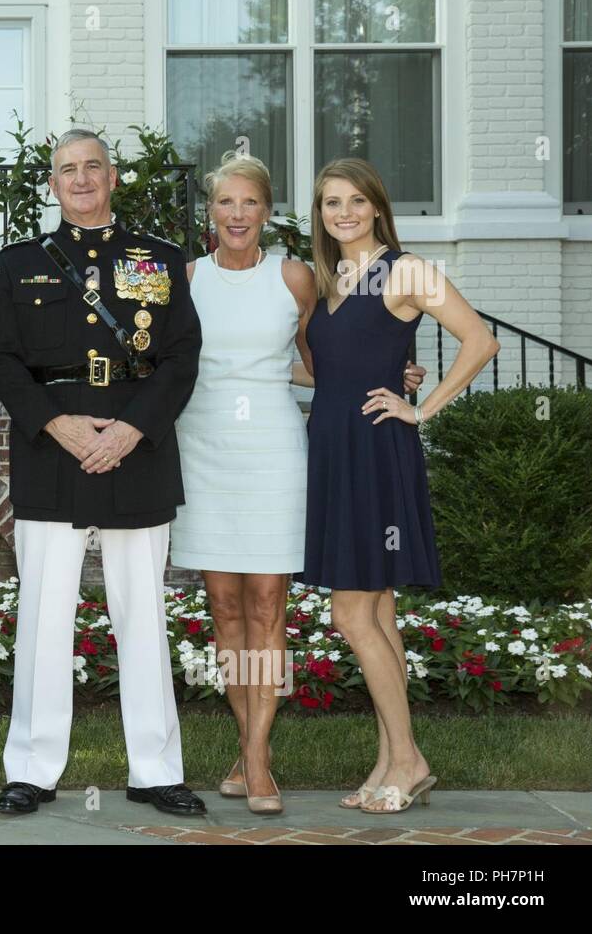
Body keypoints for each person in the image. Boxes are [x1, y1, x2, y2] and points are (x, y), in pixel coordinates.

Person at [170, 152, 425, 814]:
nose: (237, 214)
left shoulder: (296, 279)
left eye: (249, 203)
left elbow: (323, 366)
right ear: (210, 212)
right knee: (223, 609)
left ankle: (256, 760)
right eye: (225, 202)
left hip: (276, 453)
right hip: (204, 450)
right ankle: (250, 747)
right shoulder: (186, 278)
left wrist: (393, 379)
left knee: (266, 606)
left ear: (267, 211)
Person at [0, 128, 205, 816]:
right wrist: (56, 422)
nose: (80, 179)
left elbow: (181, 355)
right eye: (66, 170)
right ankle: (31, 767)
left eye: (92, 168)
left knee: (142, 615)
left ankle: (156, 768)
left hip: (135, 452)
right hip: (53, 452)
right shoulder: (18, 264)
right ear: (52, 185)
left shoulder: (161, 259)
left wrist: (135, 428)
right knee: (43, 618)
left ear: (113, 179)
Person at [302, 158, 499, 813]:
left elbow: (480, 341)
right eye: (332, 203)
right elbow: (329, 371)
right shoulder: (332, 280)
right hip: (334, 450)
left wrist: (423, 405)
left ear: (378, 207)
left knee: (350, 612)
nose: (345, 212)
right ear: (321, 214)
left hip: (376, 452)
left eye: (357, 200)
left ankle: (408, 758)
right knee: (378, 609)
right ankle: (389, 759)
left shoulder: (404, 269)